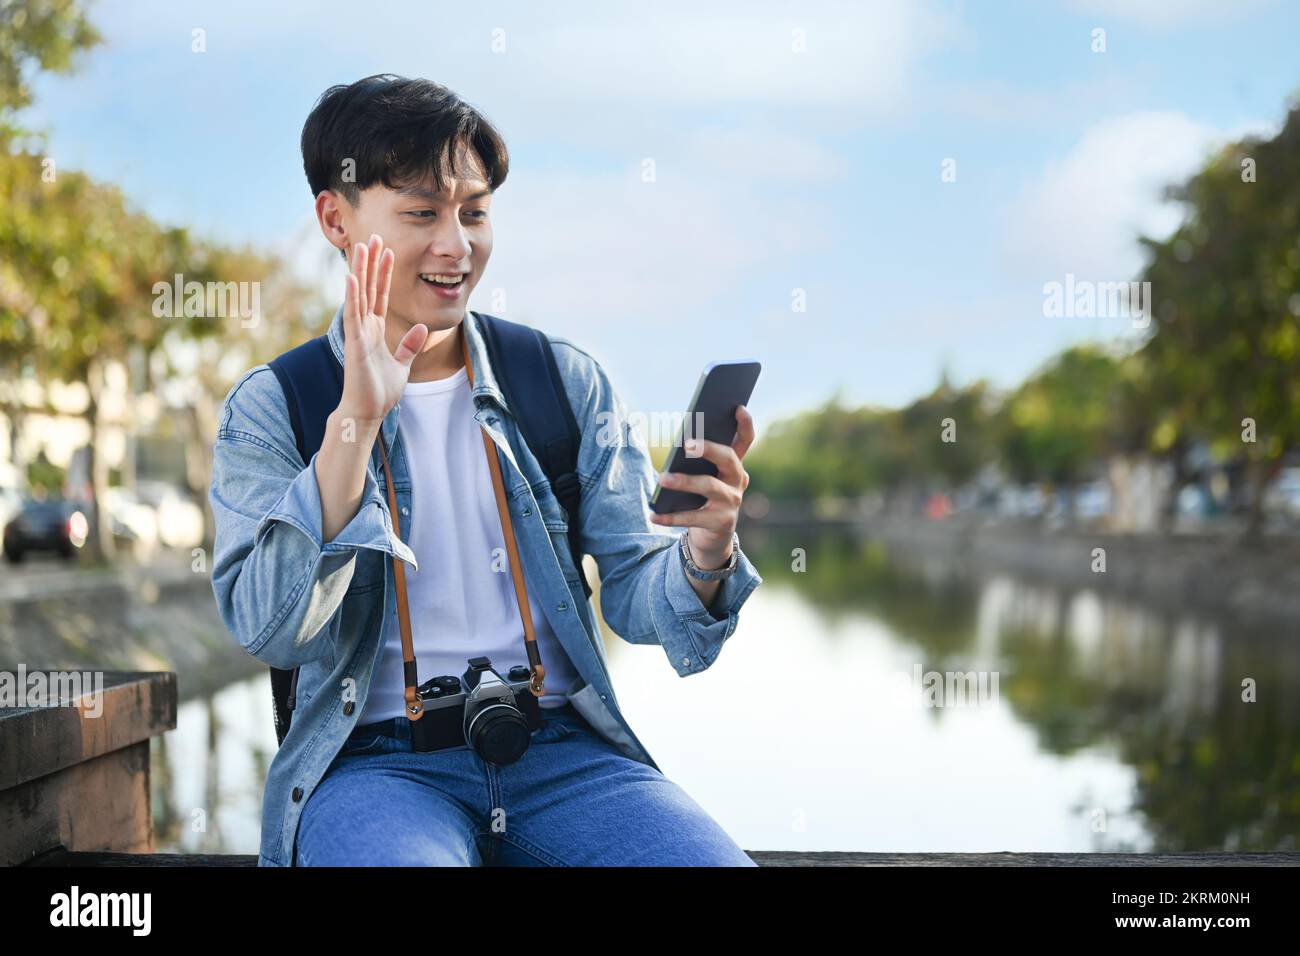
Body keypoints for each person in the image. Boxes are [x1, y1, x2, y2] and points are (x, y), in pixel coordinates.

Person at [208, 74, 764, 866]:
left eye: (473, 213)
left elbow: (643, 600)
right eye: (421, 213)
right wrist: (355, 424)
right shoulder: (275, 405)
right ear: (337, 217)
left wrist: (706, 554)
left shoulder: (562, 379)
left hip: (564, 752)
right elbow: (267, 627)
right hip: (375, 769)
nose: (456, 246)